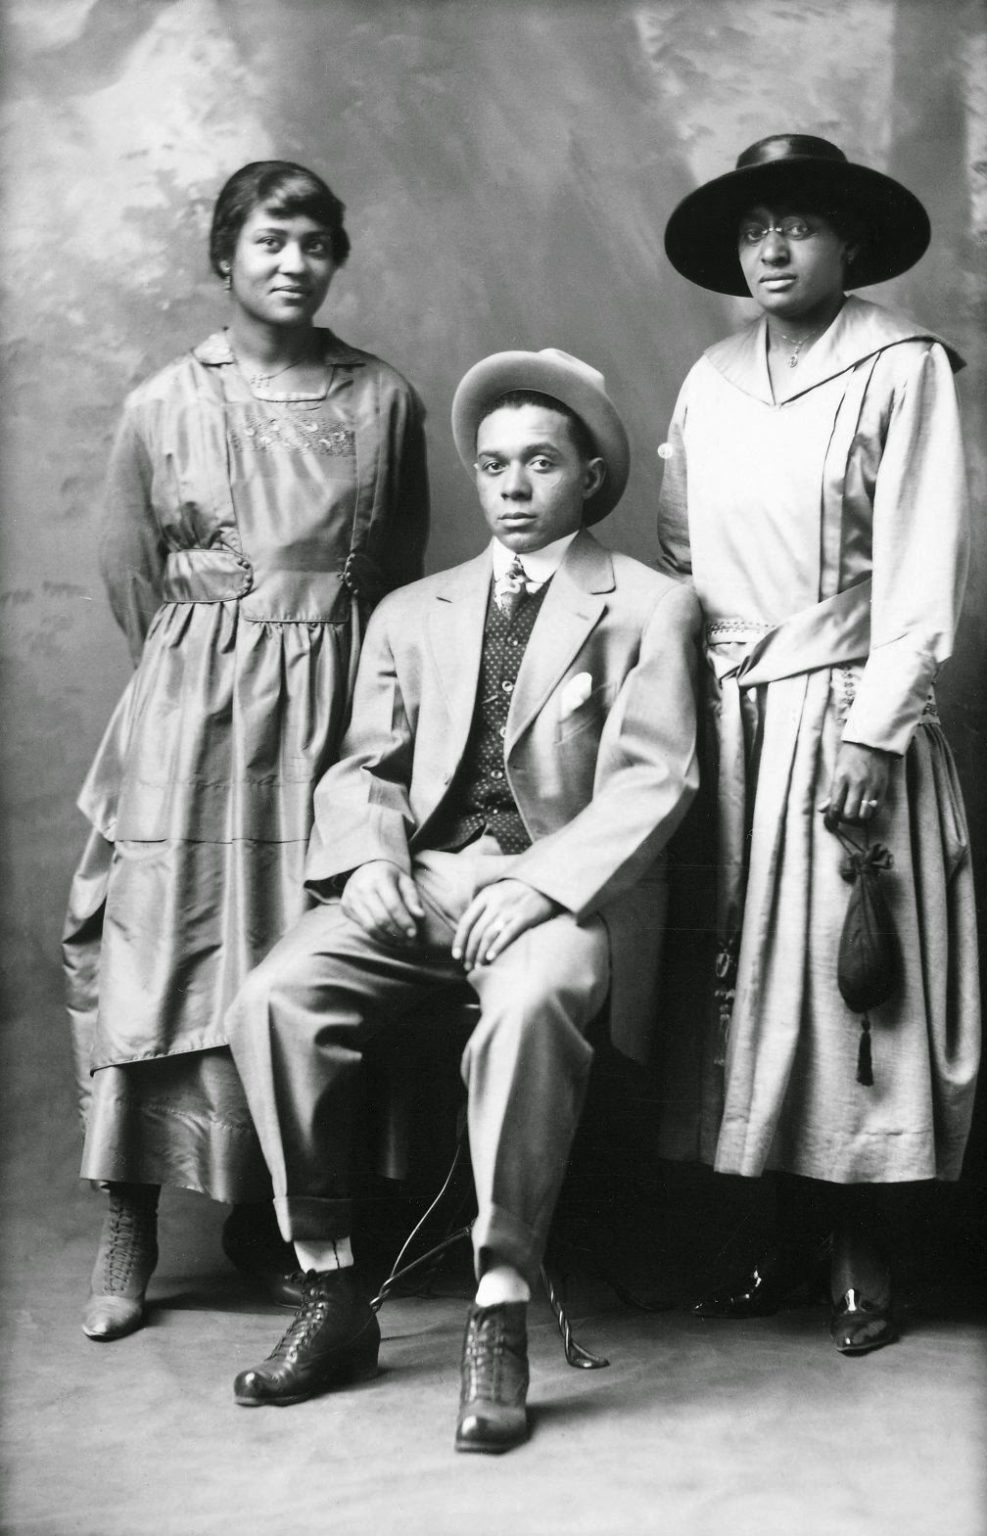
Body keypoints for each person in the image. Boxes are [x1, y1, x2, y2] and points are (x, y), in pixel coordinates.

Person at [224, 348, 701, 1451]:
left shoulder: (649, 607)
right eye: (494, 466)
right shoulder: (413, 610)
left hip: (565, 892)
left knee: (530, 1006)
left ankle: (499, 1303)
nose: (514, 488)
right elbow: (363, 768)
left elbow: (655, 780)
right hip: (428, 879)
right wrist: (371, 862)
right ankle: (332, 1288)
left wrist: (539, 883)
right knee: (273, 998)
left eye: (541, 463)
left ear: (590, 477)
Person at [63, 160, 429, 1342]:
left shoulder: (383, 399)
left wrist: (320, 670)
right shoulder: (164, 403)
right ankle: (128, 1219)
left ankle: (283, 1223)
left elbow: (398, 577)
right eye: (270, 240)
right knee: (161, 951)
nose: (293, 263)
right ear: (226, 256)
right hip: (196, 715)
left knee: (301, 955)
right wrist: (212, 665)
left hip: (333, 714)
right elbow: (132, 581)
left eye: (315, 243)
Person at [656, 133, 980, 1353]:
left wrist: (875, 726)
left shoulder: (901, 366)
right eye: (756, 232)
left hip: (849, 705)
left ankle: (862, 1249)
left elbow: (922, 558)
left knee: (851, 983)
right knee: (746, 982)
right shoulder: (711, 378)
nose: (775, 249)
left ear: (850, 241)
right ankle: (775, 1237)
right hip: (733, 709)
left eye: (798, 225)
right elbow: (682, 541)